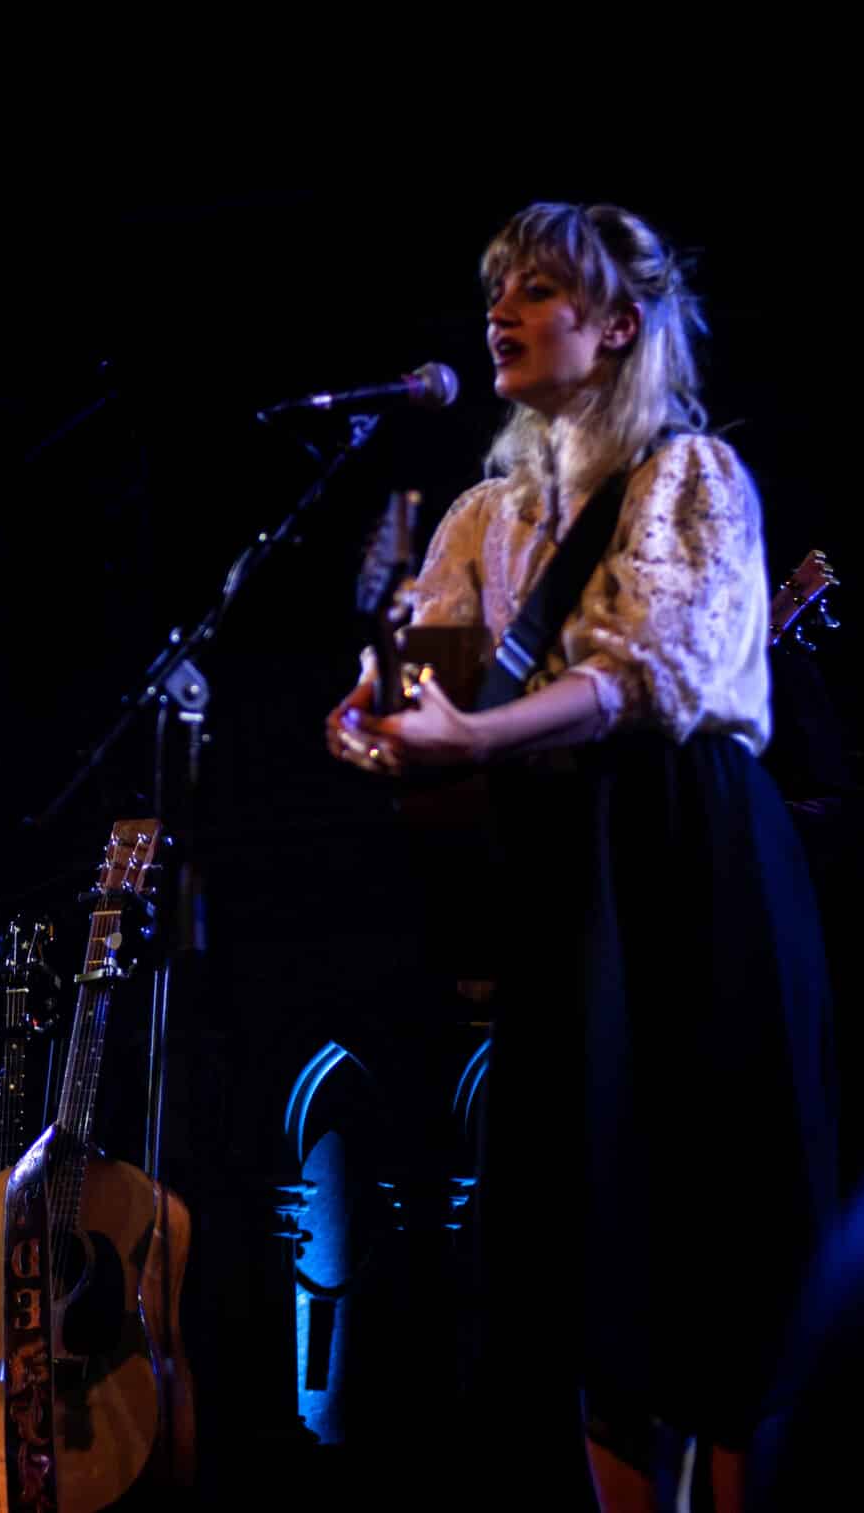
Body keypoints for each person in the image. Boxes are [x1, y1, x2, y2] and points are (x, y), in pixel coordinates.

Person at [325, 205, 837, 1513]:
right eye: (498, 287)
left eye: (539, 288)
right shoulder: (484, 513)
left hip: (692, 852)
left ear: (617, 325)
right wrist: (375, 720)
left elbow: (643, 676)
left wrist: (477, 727)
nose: (503, 308)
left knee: (724, 1227)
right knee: (583, 1242)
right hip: (568, 877)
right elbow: (420, 676)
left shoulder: (692, 476)